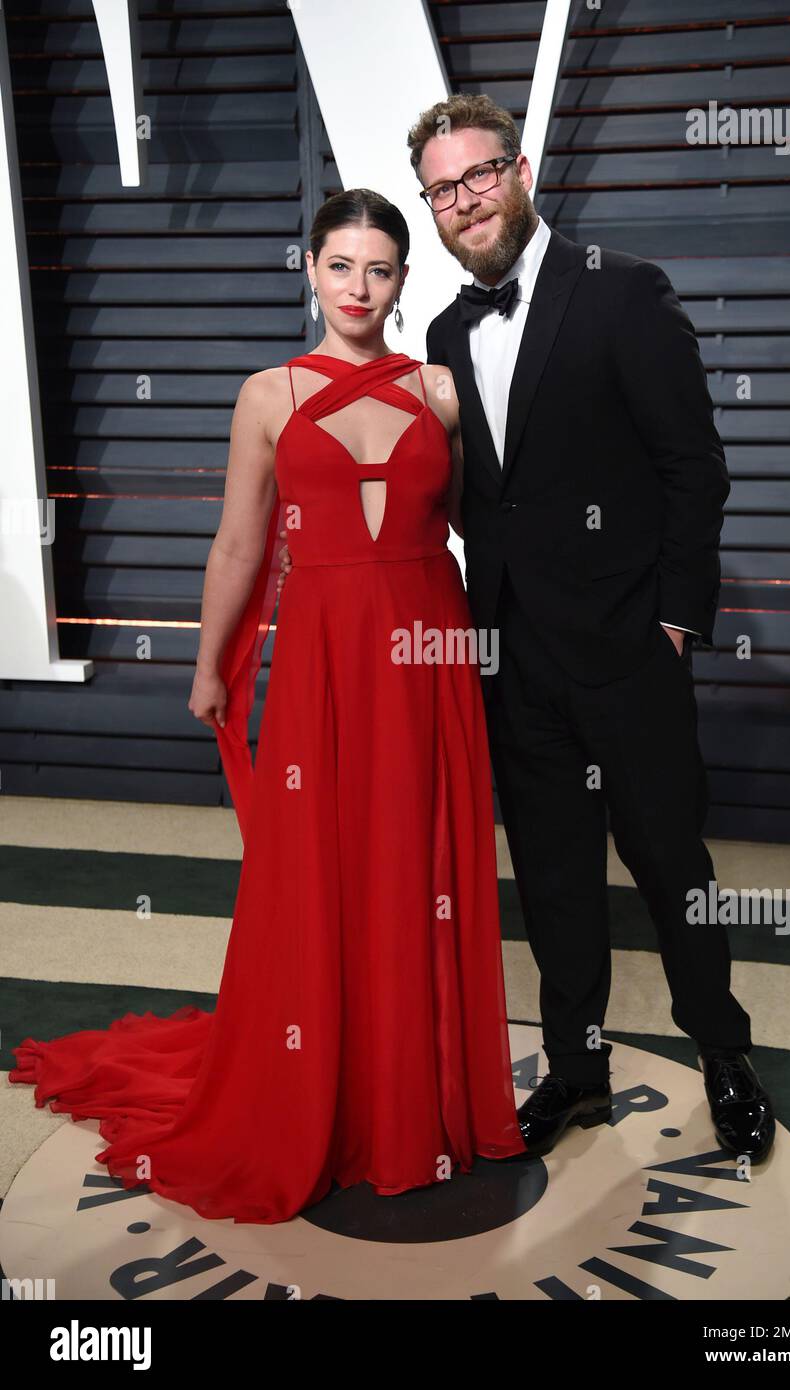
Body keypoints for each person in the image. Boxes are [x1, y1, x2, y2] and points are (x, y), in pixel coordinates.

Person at [8, 188, 528, 1225]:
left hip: (427, 654)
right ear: (309, 269)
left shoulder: (439, 389)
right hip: (326, 662)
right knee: (323, 871)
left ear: (401, 279)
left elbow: (484, 525)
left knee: (419, 868)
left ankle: (418, 1101)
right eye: (340, 265)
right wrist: (211, 665)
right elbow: (241, 544)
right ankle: (325, 1094)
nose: (358, 288)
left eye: (378, 269)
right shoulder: (268, 395)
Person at [281, 94, 776, 1166]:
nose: (465, 200)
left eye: (480, 175)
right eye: (443, 188)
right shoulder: (450, 330)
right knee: (550, 878)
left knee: (667, 866)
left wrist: (675, 622)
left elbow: (694, 468)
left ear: (519, 171)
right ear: (433, 204)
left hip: (628, 653)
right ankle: (574, 1070)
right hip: (507, 657)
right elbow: (468, 498)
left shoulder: (622, 294)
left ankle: (725, 1058)